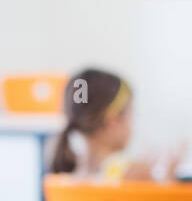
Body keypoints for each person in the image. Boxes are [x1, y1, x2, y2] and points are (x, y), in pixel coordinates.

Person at [49, 68, 184, 181]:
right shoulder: (133, 173)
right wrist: (169, 180)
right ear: (113, 120)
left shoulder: (68, 176)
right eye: (131, 115)